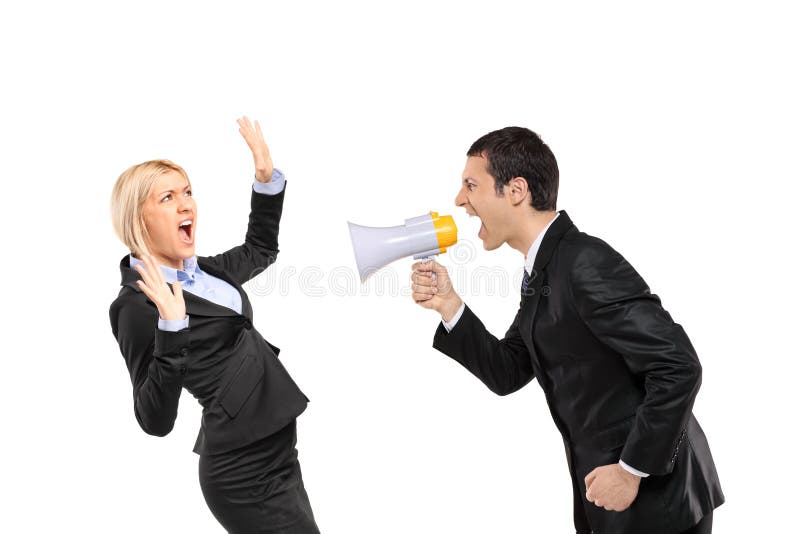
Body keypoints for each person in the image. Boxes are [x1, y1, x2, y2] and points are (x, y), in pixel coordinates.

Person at [410, 126, 724, 534]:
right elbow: (508, 371)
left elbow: (679, 365)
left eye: (471, 184)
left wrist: (631, 471)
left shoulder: (584, 263)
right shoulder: (543, 268)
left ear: (516, 190)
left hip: (657, 504)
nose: (459, 200)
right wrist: (449, 305)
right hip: (612, 503)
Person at [109, 117, 320, 533]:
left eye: (187, 192)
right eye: (167, 197)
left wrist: (265, 181)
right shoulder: (136, 305)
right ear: (139, 218)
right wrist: (171, 330)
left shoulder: (203, 272)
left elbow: (260, 249)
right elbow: (154, 419)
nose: (186, 205)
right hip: (241, 470)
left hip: (278, 447)